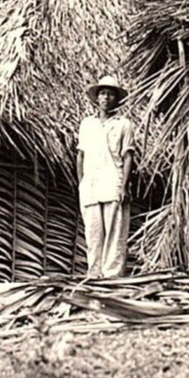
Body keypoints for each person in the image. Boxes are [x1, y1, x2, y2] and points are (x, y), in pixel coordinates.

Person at [75, 75, 136, 278]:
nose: (106, 97)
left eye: (111, 94)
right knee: (93, 233)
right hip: (91, 186)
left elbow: (128, 156)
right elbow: (80, 155)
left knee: (115, 232)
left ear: (116, 99)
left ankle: (112, 277)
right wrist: (81, 183)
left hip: (113, 182)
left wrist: (124, 186)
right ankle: (94, 275)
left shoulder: (123, 124)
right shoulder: (87, 124)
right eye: (103, 93)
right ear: (97, 98)